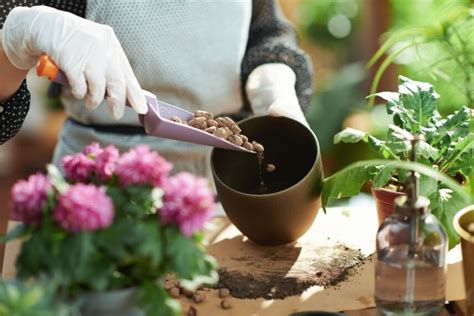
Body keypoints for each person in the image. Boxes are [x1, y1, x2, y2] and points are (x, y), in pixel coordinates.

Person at [0, 1, 312, 177]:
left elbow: (266, 31)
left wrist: (273, 73)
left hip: (217, 183)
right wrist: (19, 36)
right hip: (97, 187)